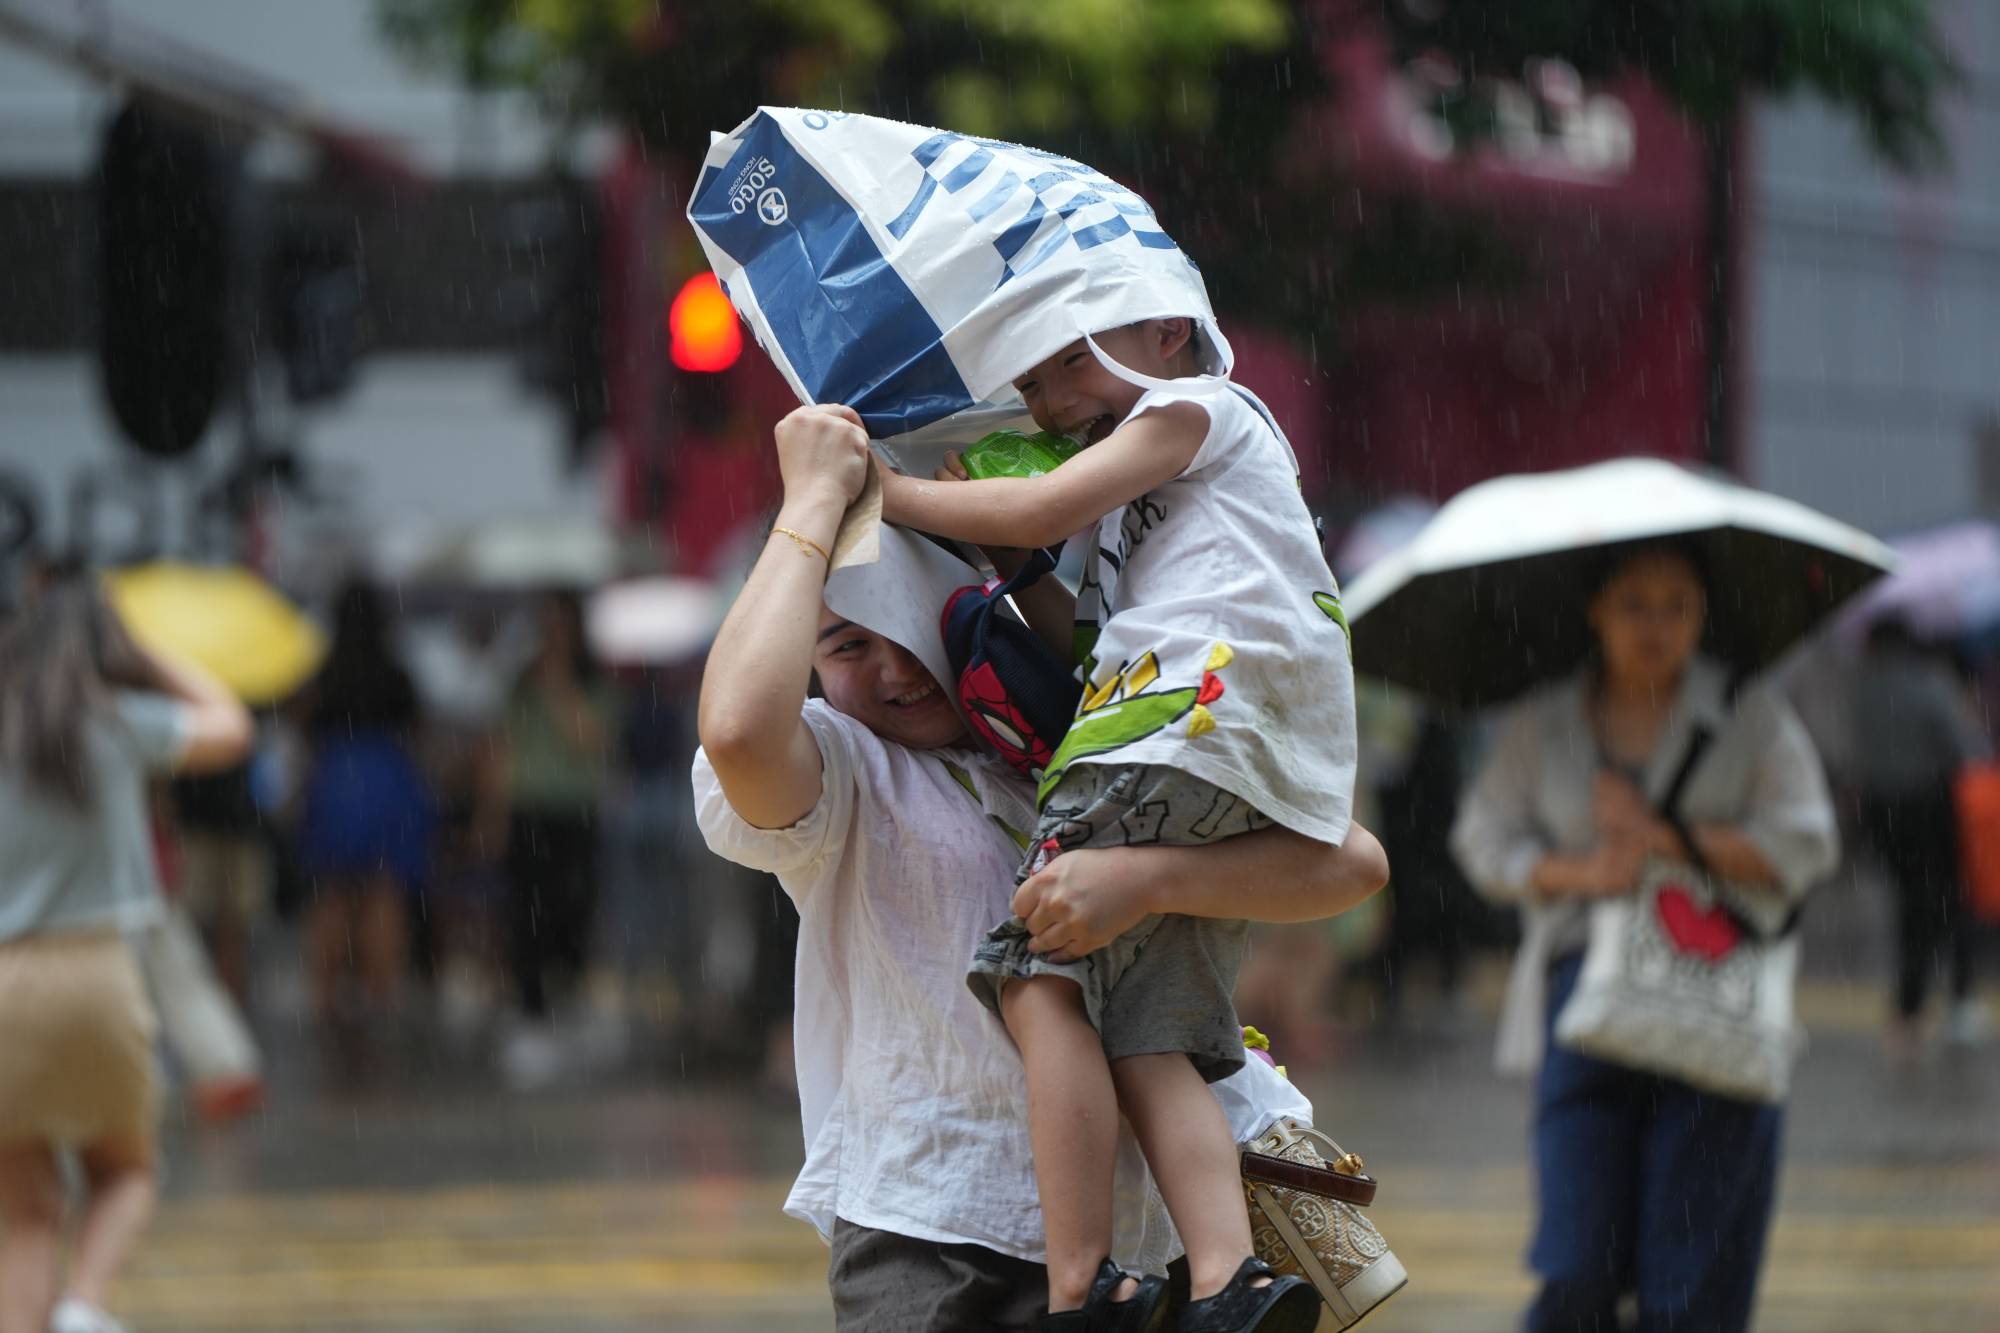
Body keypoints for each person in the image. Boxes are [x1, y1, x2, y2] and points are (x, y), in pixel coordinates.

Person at [697, 404, 1388, 1331]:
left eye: (917, 627)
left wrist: (1145, 881)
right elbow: (739, 729)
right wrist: (813, 503)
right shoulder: (846, 769)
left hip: (1139, 1260)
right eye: (847, 644)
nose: (896, 669)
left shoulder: (1086, 741)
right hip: (929, 1238)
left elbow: (1347, 861)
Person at [878, 319, 1356, 1329]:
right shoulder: (1168, 519)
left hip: (1159, 738)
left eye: (1070, 359)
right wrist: (998, 554)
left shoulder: (1197, 408)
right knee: (1149, 1036)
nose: (1051, 402)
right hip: (1222, 758)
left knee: (1036, 980)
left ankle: (1081, 1284)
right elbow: (1088, 643)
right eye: (1032, 380)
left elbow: (1044, 500)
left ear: (1167, 328)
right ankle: (1229, 1279)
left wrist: (876, 489)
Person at [1450, 541, 1839, 1333]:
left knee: (1688, 1293)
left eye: (1677, 605)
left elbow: (1807, 844)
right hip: (1580, 1003)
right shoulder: (1547, 720)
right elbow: (1483, 841)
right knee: (1575, 1273)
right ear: (1596, 611)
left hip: (1713, 1002)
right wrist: (1578, 870)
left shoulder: (1749, 714)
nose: (1656, 625)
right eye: (1635, 604)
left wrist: (1668, 837)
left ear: (1703, 615)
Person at [0, 576, 253, 1333]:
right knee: (125, 1170)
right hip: (98, 974)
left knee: (24, 1212)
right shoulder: (117, 725)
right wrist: (146, 656)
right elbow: (232, 726)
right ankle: (84, 1306)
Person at [292, 577, 433, 1038]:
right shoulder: (395, 672)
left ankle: (326, 997)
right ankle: (380, 997)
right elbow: (418, 733)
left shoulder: (325, 672)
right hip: (388, 779)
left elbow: (305, 732)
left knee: (332, 895)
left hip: (336, 779)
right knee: (384, 894)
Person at [492, 590, 620, 1088]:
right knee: (525, 916)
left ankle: (568, 1001)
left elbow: (594, 741)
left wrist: (560, 686)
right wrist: (494, 814)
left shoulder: (593, 684)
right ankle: (530, 1011)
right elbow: (503, 748)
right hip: (528, 812)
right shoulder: (519, 683)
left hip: (574, 814)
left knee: (574, 911)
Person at [1853, 617, 1990, 1055]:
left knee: (1911, 905)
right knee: (1952, 901)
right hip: (1932, 808)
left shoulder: (1862, 690)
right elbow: (1967, 748)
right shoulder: (1930, 684)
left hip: (1882, 811)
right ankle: (1956, 1000)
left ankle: (1909, 1006)